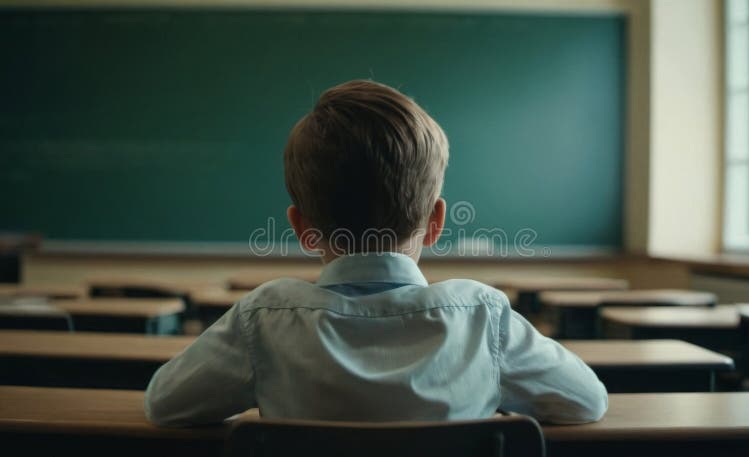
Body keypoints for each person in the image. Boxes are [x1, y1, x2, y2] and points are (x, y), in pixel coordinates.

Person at [144, 80, 607, 426]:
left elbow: (163, 404)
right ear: (436, 222)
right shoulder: (482, 318)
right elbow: (589, 401)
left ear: (301, 227)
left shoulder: (264, 320)